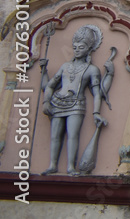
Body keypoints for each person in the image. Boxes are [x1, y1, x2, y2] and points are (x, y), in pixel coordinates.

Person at [39, 24, 109, 175]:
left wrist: (96, 112)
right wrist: (46, 100)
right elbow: (49, 86)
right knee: (55, 135)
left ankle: (70, 166)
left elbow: (97, 93)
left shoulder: (92, 70)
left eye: (81, 47)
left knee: (72, 135)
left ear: (89, 49)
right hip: (57, 102)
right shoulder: (65, 66)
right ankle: (53, 165)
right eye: (75, 46)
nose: (77, 49)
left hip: (76, 104)